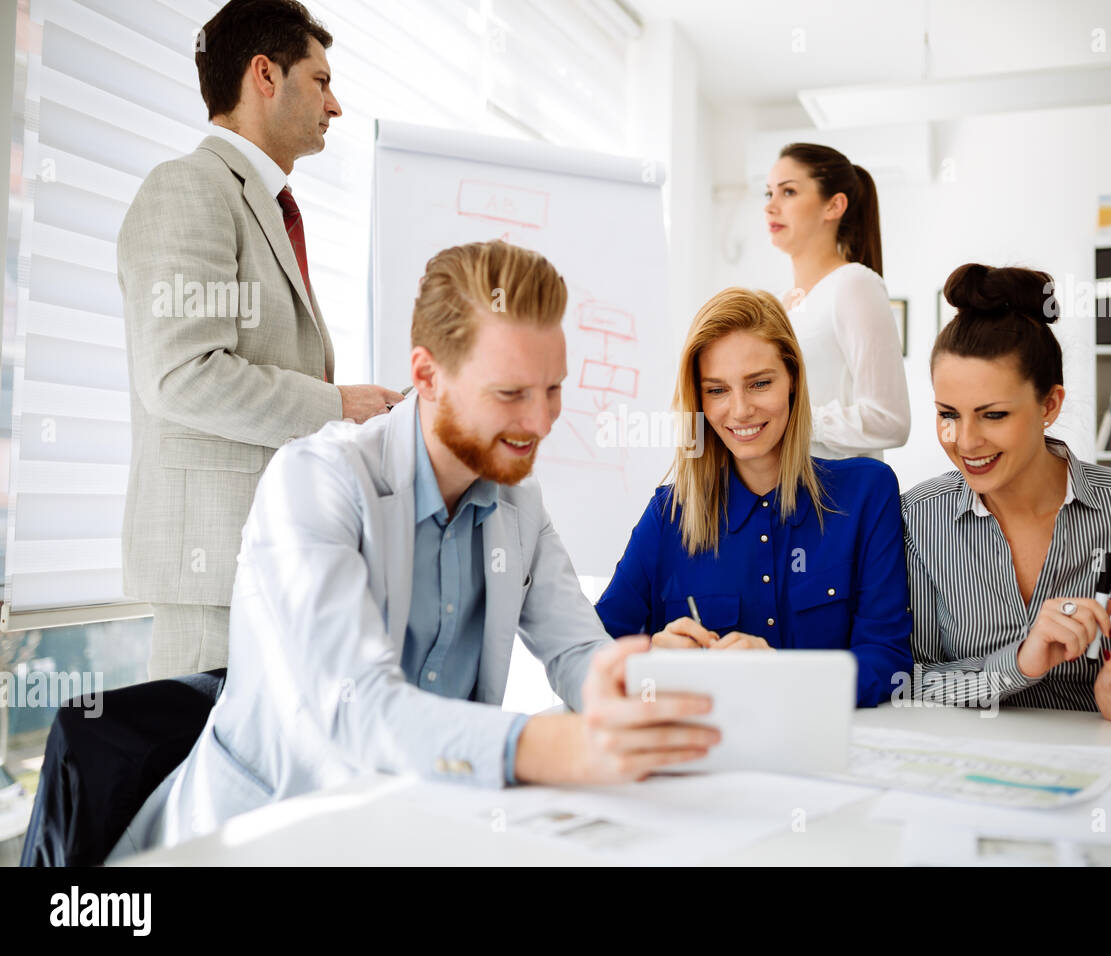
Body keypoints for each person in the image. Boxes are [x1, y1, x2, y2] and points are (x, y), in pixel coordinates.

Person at [108, 241, 720, 858]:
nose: (540, 422)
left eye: (553, 389)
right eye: (511, 394)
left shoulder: (518, 504)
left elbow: (576, 649)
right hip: (260, 836)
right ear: (427, 375)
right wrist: (551, 748)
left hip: (411, 830)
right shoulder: (317, 481)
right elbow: (354, 710)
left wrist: (626, 692)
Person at [117, 0, 403, 679]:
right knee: (203, 777)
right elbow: (183, 375)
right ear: (264, 75)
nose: (335, 105)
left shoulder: (263, 206)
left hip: (274, 569)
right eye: (321, 80)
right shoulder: (188, 189)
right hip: (214, 580)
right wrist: (338, 406)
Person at [901, 263, 1111, 721]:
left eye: (993, 415)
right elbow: (911, 677)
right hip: (974, 769)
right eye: (948, 414)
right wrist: (1019, 664)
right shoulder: (918, 518)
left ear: (1049, 405)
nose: (965, 440)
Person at [595, 288, 912, 708]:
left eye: (759, 383)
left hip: (835, 755)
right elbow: (589, 655)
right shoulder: (667, 517)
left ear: (793, 381)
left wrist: (782, 673)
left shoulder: (867, 494)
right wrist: (651, 661)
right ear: (698, 401)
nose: (740, 410)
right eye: (717, 390)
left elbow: (889, 664)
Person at [763, 142, 909, 460]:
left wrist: (791, 420)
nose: (770, 206)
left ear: (833, 206)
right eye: (768, 193)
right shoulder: (776, 304)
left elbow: (890, 421)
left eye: (788, 192)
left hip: (837, 498)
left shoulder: (854, 285)